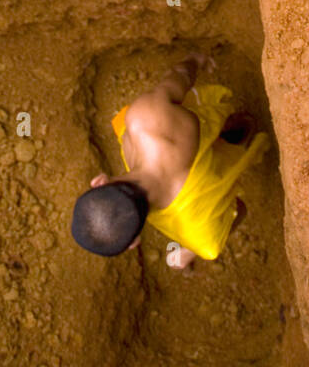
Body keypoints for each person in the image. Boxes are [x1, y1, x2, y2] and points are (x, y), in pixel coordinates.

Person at [70, 51, 268, 272]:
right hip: (184, 132)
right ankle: (233, 125)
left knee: (206, 241)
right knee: (128, 121)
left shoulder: (199, 231)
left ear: (135, 241)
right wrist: (194, 60)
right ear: (99, 181)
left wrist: (190, 249)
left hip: (206, 183)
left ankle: (237, 142)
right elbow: (178, 77)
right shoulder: (143, 120)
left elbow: (239, 210)